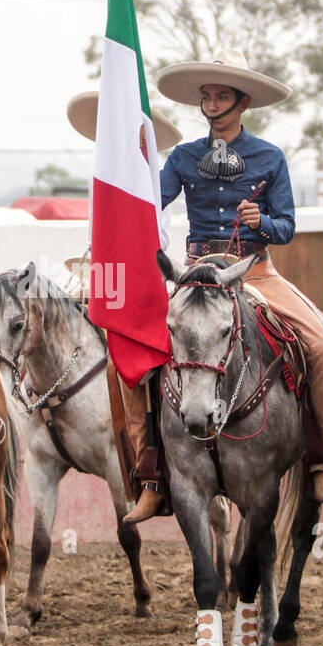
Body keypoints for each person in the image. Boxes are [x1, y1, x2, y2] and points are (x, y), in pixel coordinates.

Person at [122, 48, 323, 524]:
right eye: (206, 96)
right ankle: (149, 474)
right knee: (129, 351)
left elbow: (287, 226)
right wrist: (123, 168)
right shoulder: (182, 157)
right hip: (193, 275)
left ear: (241, 102)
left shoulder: (270, 157)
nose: (210, 103)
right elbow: (148, 203)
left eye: (220, 95)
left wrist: (261, 220)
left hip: (256, 271)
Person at [65, 90, 183, 508]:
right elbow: (96, 233)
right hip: (107, 276)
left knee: (143, 359)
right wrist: (96, 266)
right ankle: (43, 410)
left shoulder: (155, 174)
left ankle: (155, 460)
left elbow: (161, 238)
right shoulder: (101, 177)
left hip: (146, 278)